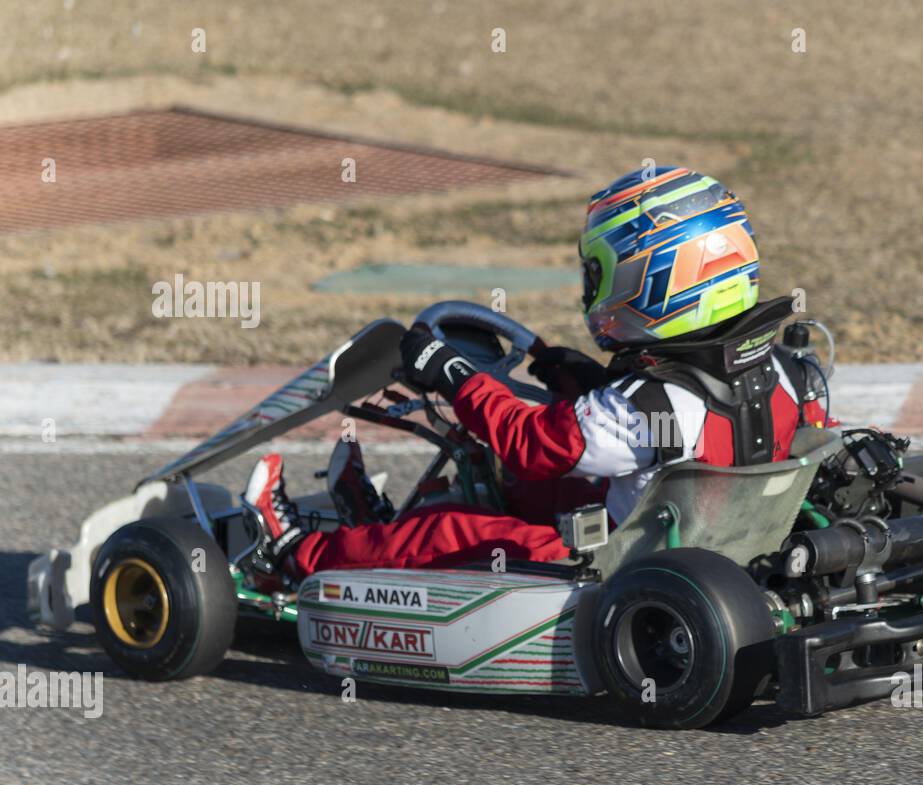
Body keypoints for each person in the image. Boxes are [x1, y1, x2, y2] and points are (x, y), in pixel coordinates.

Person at [242, 166, 826, 584]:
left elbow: (530, 443)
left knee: (459, 533)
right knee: (525, 489)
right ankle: (374, 535)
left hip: (625, 564)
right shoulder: (787, 371)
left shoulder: (654, 404)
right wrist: (566, 371)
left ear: (653, 281)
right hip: (723, 539)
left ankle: (297, 553)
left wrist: (450, 372)